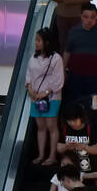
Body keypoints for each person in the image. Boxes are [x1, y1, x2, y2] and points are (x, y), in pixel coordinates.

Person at [27, 27, 64, 166]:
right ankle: (41, 155)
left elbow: (59, 79)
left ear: (47, 42)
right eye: (36, 40)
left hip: (51, 98)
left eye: (39, 40)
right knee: (40, 126)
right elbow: (28, 75)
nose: (36, 43)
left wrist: (46, 92)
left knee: (51, 126)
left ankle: (52, 156)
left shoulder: (56, 58)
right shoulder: (33, 57)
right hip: (36, 97)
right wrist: (30, 88)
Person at [56, 102, 97, 175]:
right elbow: (58, 148)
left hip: (86, 166)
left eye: (75, 121)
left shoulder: (89, 129)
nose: (72, 123)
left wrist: (83, 146)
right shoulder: (65, 128)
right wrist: (66, 146)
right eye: (69, 121)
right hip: (69, 165)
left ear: (81, 118)